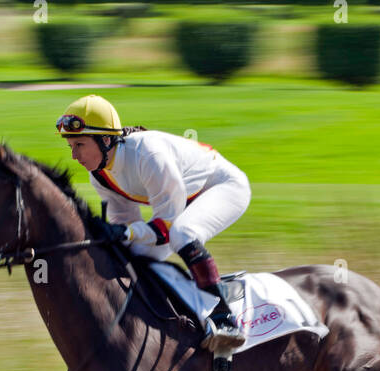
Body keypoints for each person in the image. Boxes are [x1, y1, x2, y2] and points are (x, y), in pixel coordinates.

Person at [56, 94, 250, 353]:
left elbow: (165, 228)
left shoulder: (148, 154)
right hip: (180, 202)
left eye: (79, 144)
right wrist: (116, 235)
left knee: (183, 233)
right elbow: (130, 230)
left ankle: (225, 320)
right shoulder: (99, 176)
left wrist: (123, 232)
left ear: (105, 140)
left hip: (223, 187)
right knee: (131, 256)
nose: (73, 155)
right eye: (71, 146)